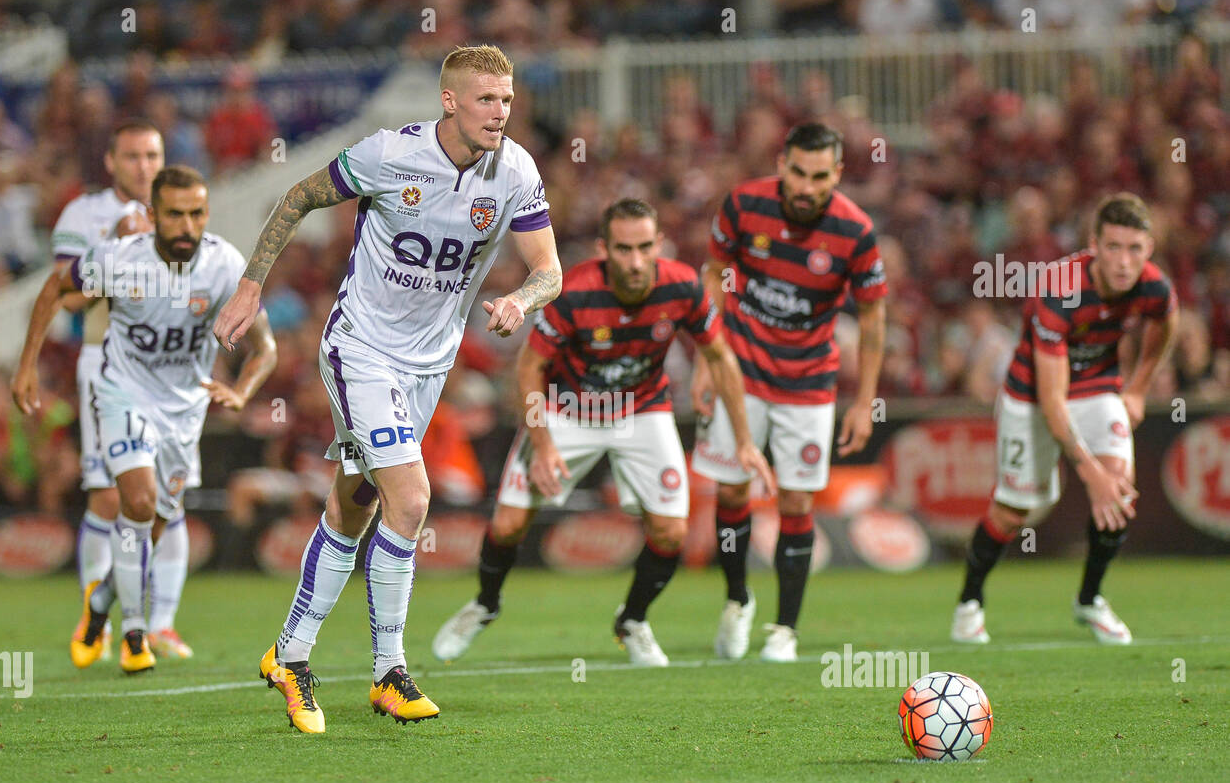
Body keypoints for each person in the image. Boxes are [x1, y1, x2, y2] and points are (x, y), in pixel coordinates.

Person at [212, 45, 562, 733]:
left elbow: (550, 269)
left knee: (358, 503)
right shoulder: (387, 155)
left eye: (509, 100)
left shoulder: (516, 171)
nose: (502, 112)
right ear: (450, 100)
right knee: (412, 497)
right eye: (487, 99)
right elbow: (301, 195)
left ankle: (290, 653)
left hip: (429, 365)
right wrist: (252, 283)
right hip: (360, 350)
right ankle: (389, 672)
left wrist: (522, 299)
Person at [433, 198, 775, 666]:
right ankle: (485, 605)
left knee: (671, 532)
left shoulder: (682, 287)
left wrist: (744, 442)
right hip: (567, 410)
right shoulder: (573, 291)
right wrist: (544, 444)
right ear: (603, 249)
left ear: (659, 244)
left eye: (643, 247)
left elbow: (721, 359)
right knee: (508, 524)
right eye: (622, 249)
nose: (634, 261)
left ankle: (632, 619)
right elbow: (530, 368)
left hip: (642, 411)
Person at [12, 165, 277, 672]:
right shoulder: (118, 259)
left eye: (196, 213)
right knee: (136, 500)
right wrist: (27, 368)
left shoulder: (224, 266)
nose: (186, 225)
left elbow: (266, 347)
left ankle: (98, 606)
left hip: (184, 410)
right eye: (174, 214)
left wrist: (243, 391)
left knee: (150, 527)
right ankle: (135, 635)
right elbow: (52, 288)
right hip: (122, 394)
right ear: (153, 216)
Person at [691, 123, 888, 663]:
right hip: (742, 373)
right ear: (782, 164)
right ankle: (737, 600)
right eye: (798, 172)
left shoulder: (855, 231)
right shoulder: (743, 206)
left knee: (797, 501)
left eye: (819, 176)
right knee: (731, 493)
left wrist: (865, 400)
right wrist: (708, 361)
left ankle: (785, 629)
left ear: (838, 175)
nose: (806, 186)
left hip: (808, 383)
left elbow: (873, 319)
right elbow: (714, 274)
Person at [952, 192, 1177, 645]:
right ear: (1094, 244)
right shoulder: (1060, 291)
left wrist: (1136, 389)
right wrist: (1089, 473)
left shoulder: (1154, 286)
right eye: (1113, 247)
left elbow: (1166, 324)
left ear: (1149, 249)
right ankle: (969, 602)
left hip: (1096, 387)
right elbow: (1053, 402)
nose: (1123, 260)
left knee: (1120, 490)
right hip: (1032, 398)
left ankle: (1089, 600)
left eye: (1135, 248)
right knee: (1014, 511)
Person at [46, 120, 186, 661]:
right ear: (110, 162)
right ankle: (100, 617)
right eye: (132, 156)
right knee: (109, 495)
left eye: (152, 154)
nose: (144, 166)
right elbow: (69, 299)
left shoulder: (179, 208)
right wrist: (118, 244)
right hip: (104, 362)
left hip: (169, 367)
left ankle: (161, 623)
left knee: (168, 499)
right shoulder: (84, 215)